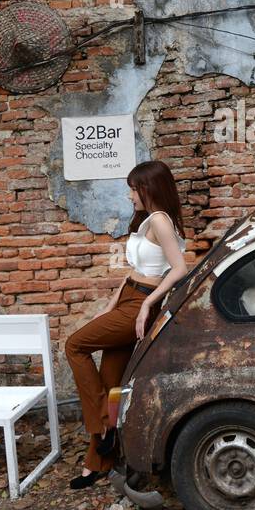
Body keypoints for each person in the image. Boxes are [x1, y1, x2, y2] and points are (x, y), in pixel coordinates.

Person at [63, 160, 188, 489]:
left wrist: (147, 303)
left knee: (74, 346)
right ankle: (97, 463)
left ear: (148, 188)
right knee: (110, 381)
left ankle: (104, 423)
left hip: (140, 302)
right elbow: (134, 270)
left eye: (133, 189)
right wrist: (111, 303)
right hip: (128, 298)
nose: (129, 195)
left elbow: (179, 269)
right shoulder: (147, 220)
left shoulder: (160, 221)